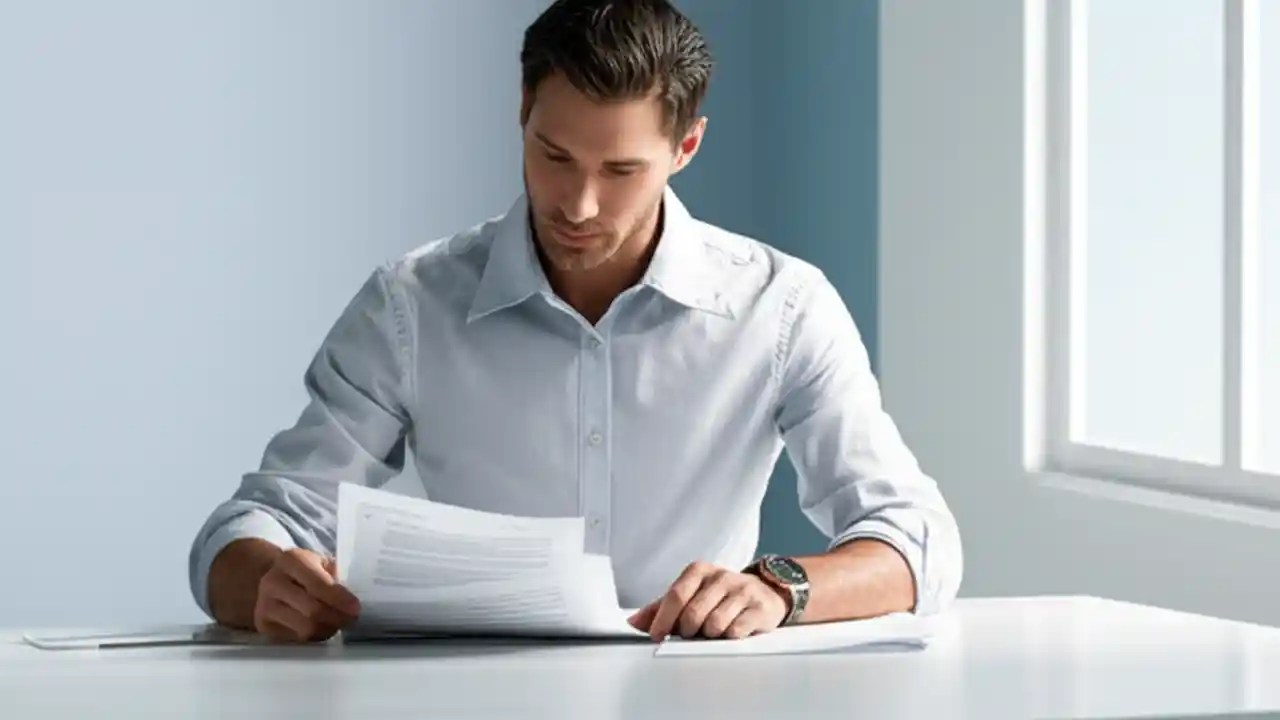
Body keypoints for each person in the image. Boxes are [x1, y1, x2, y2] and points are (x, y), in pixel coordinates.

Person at [190, 0, 963, 644]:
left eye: (621, 170)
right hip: (474, 694)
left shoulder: (783, 307)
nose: (578, 205)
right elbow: (243, 531)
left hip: (693, 692)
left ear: (685, 146)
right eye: (554, 155)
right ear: (523, 113)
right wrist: (267, 582)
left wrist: (780, 587)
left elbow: (919, 543)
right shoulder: (409, 306)